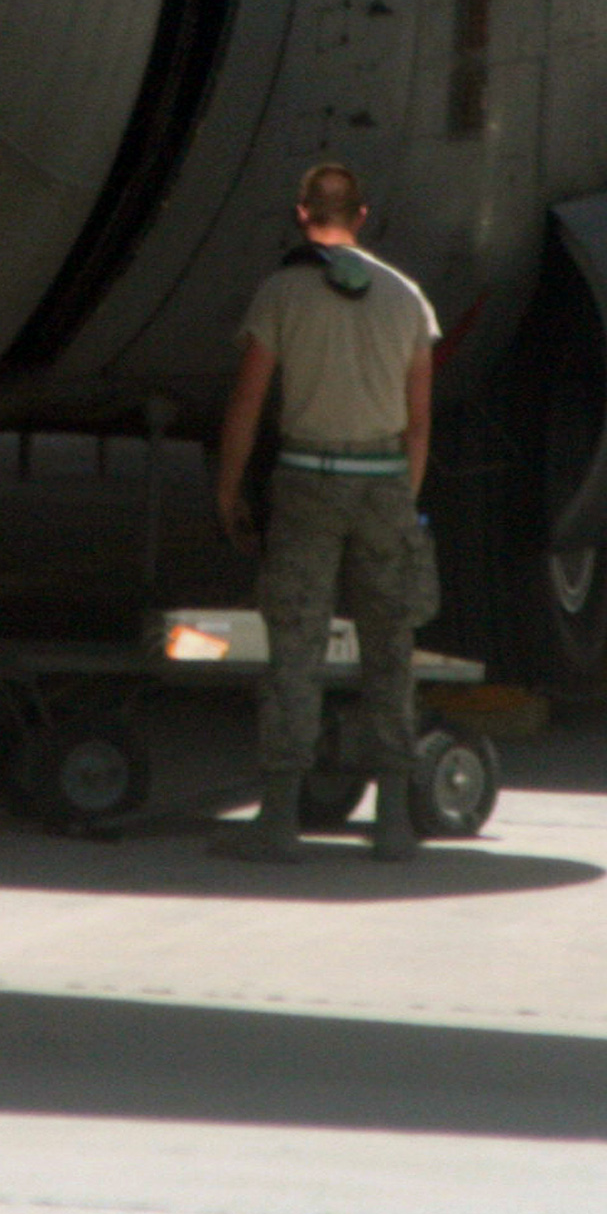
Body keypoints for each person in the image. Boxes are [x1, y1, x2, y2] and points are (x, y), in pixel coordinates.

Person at [211, 162, 442, 862]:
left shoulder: (281, 293)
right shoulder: (409, 302)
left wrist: (229, 491)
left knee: (296, 647)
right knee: (390, 650)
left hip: (307, 481)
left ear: (301, 214)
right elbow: (419, 423)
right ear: (363, 216)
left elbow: (248, 403)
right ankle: (394, 822)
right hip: (382, 486)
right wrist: (405, 498)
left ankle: (279, 820)